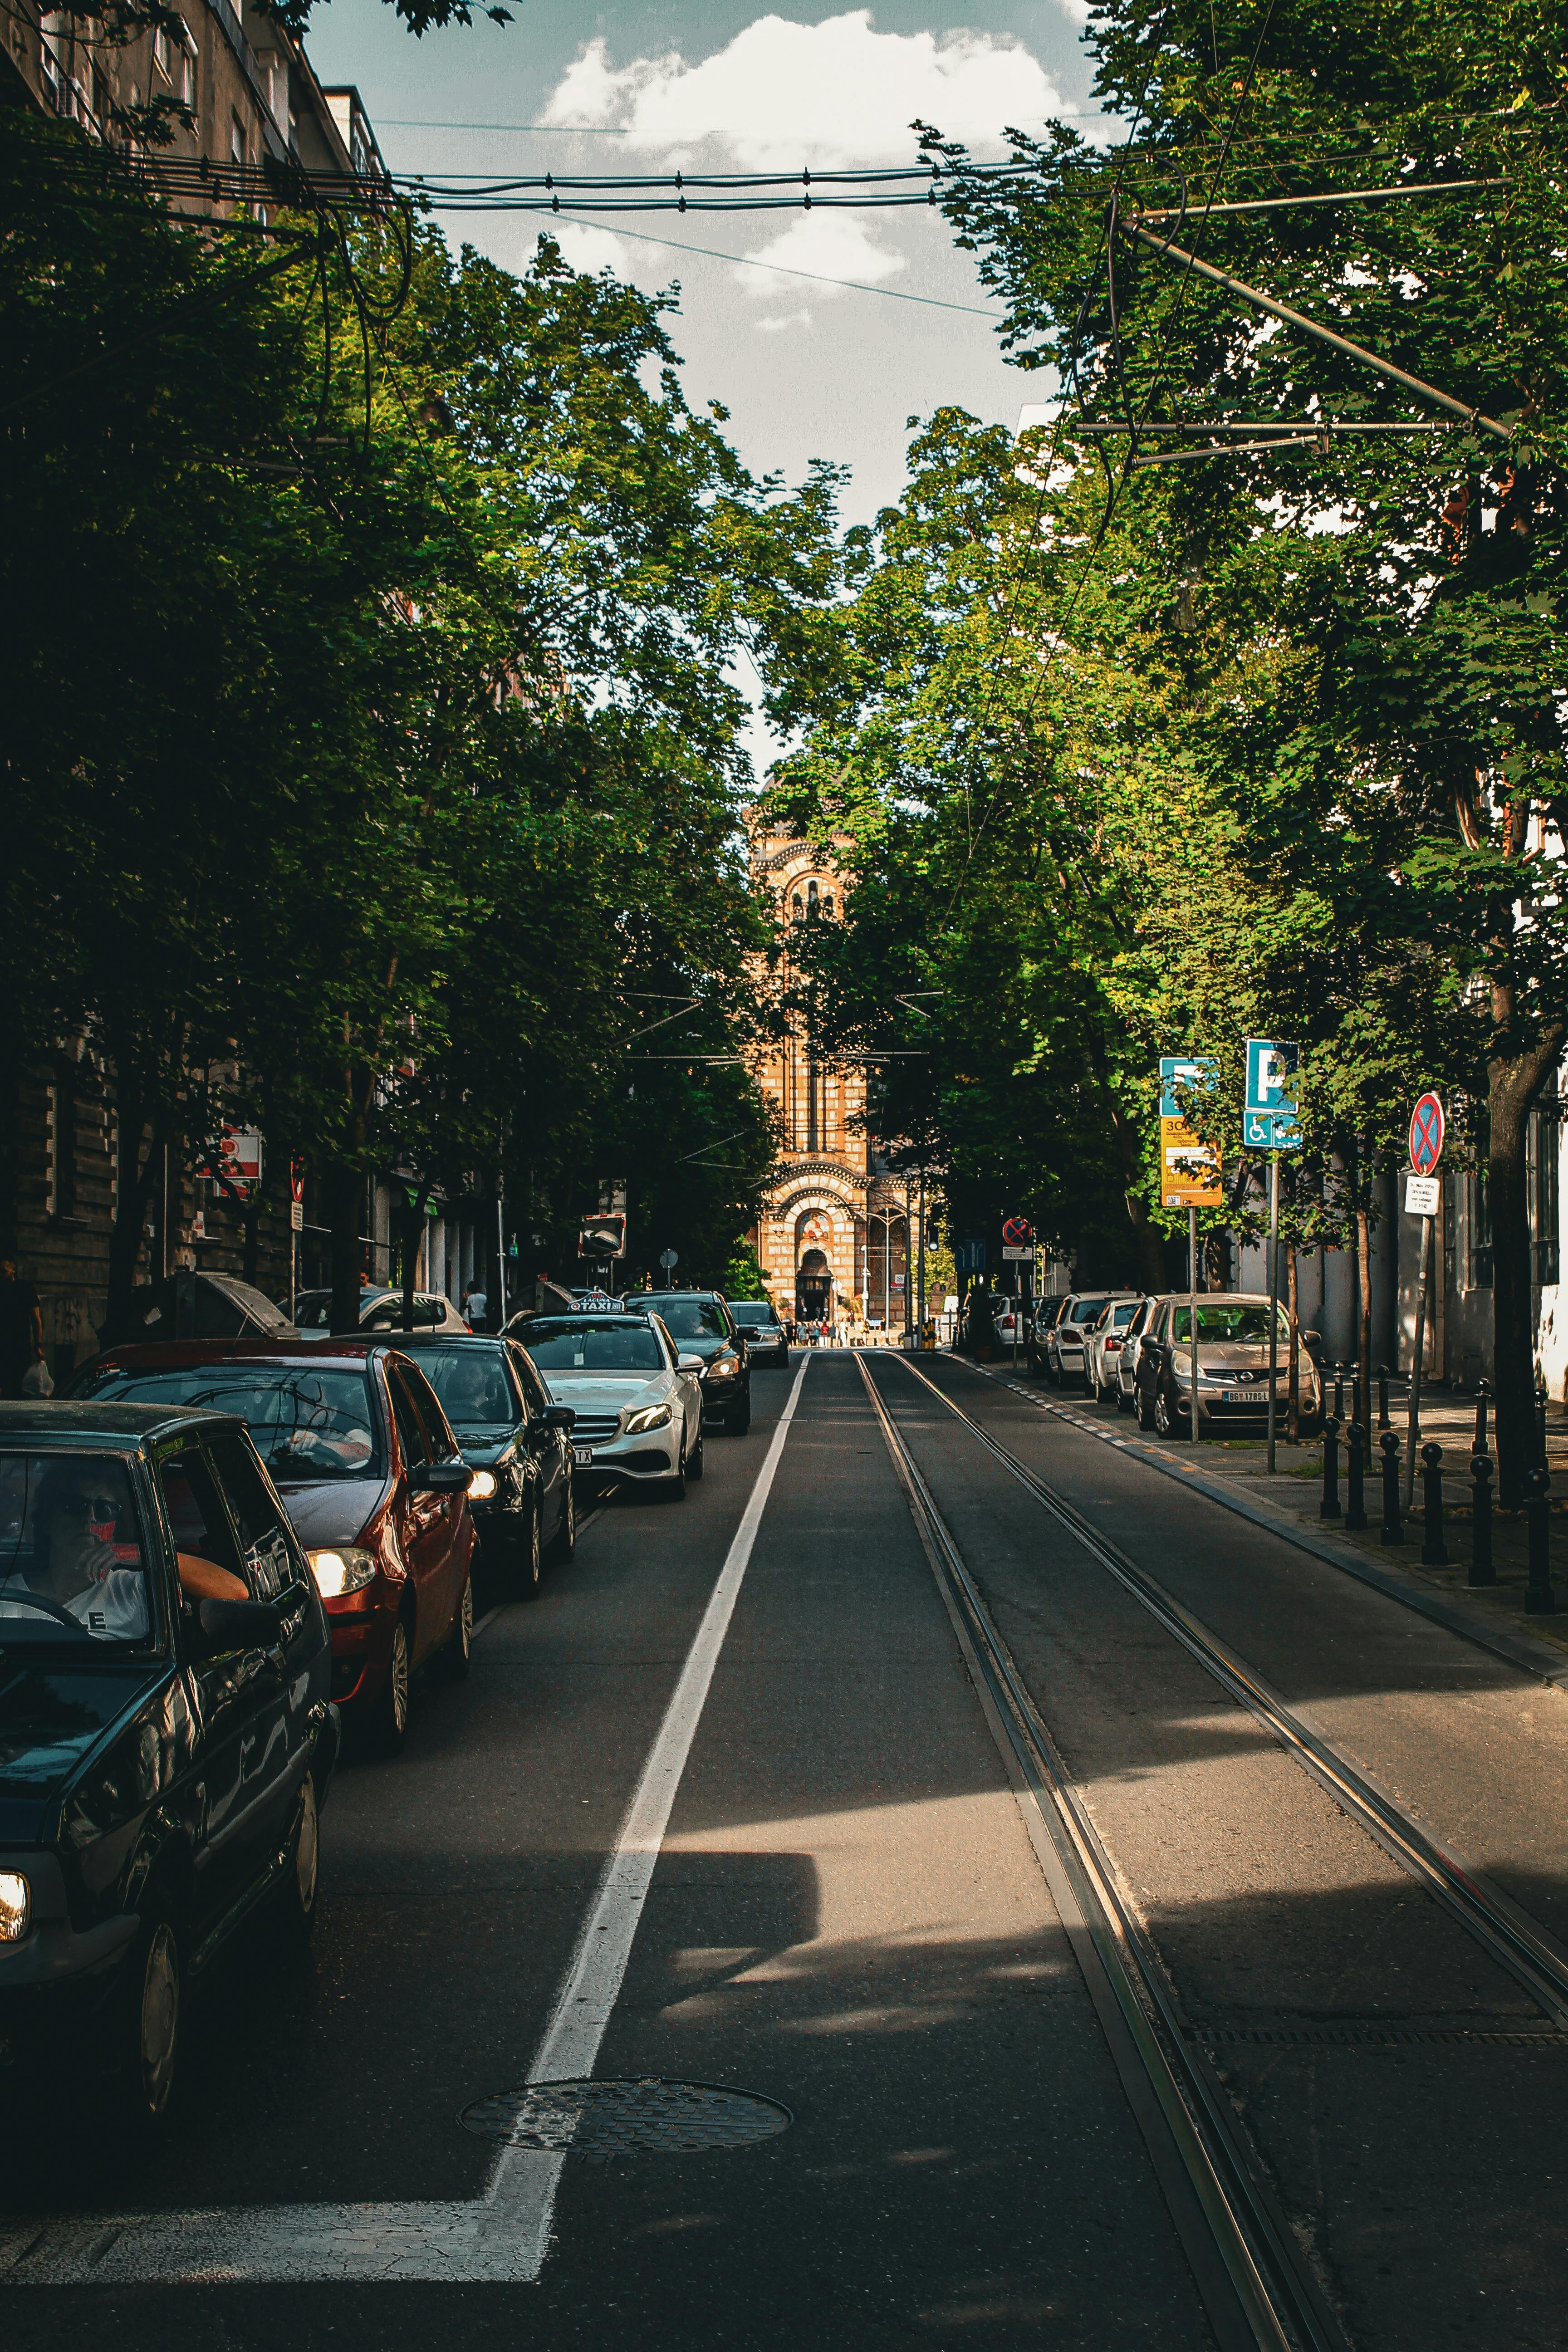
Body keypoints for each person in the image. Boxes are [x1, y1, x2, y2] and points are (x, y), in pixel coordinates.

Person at [0, 1256, 44, 1398]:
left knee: (19, 1384)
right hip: (4, 1345)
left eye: (3, 1271)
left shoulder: (25, 1289)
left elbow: (36, 1319)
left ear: (13, 1271)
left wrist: (38, 1345)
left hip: (21, 1345)